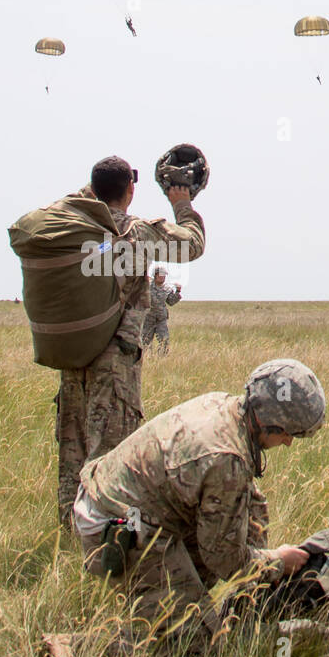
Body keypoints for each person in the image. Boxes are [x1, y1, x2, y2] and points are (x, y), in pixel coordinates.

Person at [73, 359, 325, 651]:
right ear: (269, 422)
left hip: (124, 508)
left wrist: (260, 568)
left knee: (197, 600)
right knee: (195, 647)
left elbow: (246, 507)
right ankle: (79, 651)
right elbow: (225, 559)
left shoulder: (226, 407)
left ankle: (168, 607)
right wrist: (278, 561)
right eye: (286, 433)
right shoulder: (226, 458)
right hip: (120, 527)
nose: (288, 443)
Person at [53, 155, 206, 525]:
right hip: (114, 364)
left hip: (73, 357)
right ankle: (104, 541)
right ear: (131, 191)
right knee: (110, 457)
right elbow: (192, 245)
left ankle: (69, 532)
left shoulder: (72, 227)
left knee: (71, 452)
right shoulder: (134, 234)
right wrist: (182, 203)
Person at [141, 267, 181, 354]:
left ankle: (162, 359)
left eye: (164, 275)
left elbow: (171, 302)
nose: (163, 277)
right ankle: (145, 359)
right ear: (155, 275)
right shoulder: (146, 286)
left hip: (161, 320)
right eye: (161, 275)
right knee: (145, 341)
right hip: (148, 319)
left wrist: (178, 291)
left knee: (164, 340)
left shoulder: (167, 289)